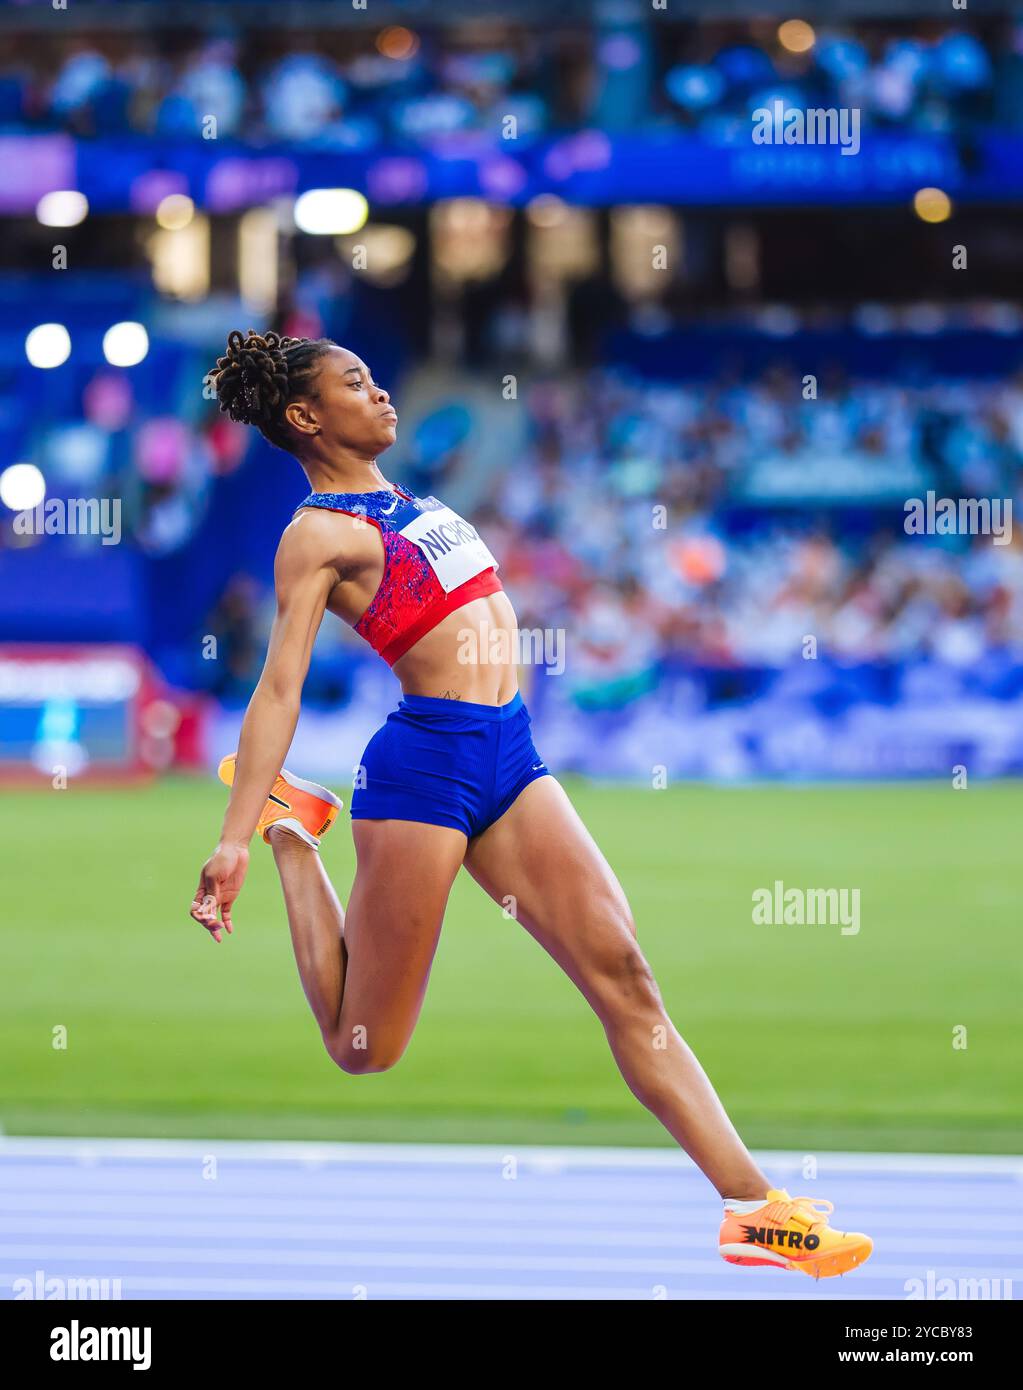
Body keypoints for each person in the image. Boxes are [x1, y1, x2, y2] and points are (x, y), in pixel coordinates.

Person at [190, 329, 873, 1279]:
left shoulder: (410, 499)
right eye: (358, 383)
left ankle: (754, 1209)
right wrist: (233, 832)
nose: (384, 394)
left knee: (625, 976)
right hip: (424, 772)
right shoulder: (318, 536)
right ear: (306, 417)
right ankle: (290, 833)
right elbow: (277, 688)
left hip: (509, 753)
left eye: (379, 376)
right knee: (361, 1046)